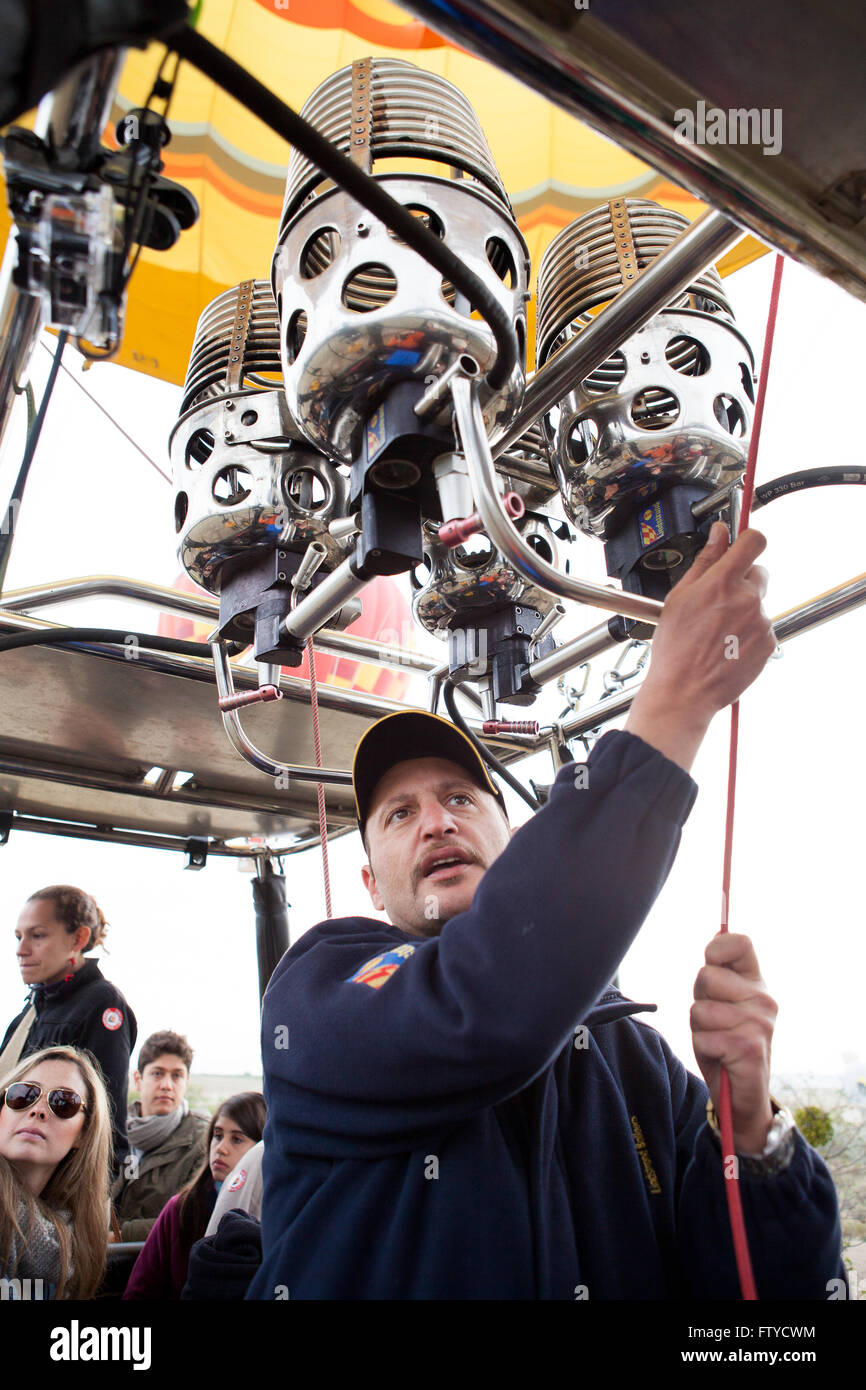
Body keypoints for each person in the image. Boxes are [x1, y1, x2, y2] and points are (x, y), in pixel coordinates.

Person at [247, 523, 846, 1300]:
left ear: (519, 842)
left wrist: (750, 1131)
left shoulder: (640, 1062)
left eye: (461, 798)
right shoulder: (319, 995)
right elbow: (484, 1007)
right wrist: (671, 706)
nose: (436, 822)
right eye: (399, 815)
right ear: (370, 885)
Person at [1, 885, 136, 1176]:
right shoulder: (33, 1006)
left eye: (37, 936)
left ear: (79, 938)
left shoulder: (102, 1005)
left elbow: (106, 1130)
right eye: (18, 937)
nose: (20, 949)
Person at [123, 1091, 266, 1300]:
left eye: (237, 1139)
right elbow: (140, 1290)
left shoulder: (277, 1216)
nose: (221, 1148)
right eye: (217, 1136)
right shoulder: (181, 1208)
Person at [0, 1044, 112, 1299]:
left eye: (63, 1102)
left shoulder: (74, 1237)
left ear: (83, 1133)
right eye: (23, 1095)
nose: (37, 1110)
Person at [111, 1030, 209, 1241]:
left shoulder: (202, 1140)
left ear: (186, 1081)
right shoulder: (113, 1131)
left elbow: (190, 1216)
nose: (167, 1085)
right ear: (138, 1079)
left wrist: (117, 1236)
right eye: (157, 1073)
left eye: (176, 1075)